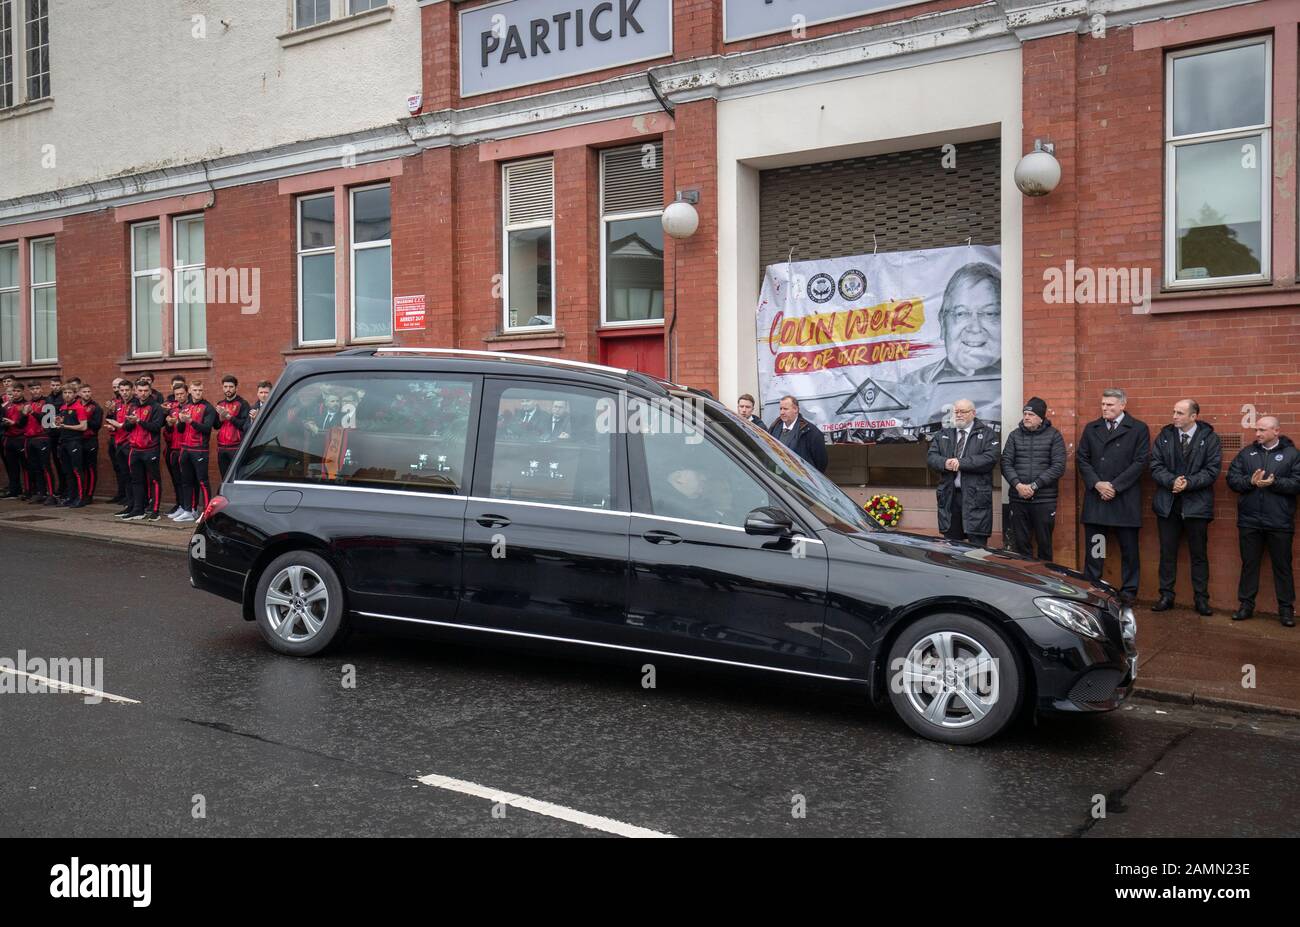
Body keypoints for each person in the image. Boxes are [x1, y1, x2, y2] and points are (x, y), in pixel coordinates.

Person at [889, 262, 1003, 428]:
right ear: (943, 323)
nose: (974, 327)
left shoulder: (1016, 381)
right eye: (961, 313)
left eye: (989, 313)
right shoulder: (913, 384)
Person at [1077, 388, 1149, 605]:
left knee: (1129, 550)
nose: (1105, 408)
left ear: (1122, 405)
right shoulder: (1092, 428)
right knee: (1097, 549)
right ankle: (1094, 587)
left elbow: (1140, 462)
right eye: (1103, 404)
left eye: (1110, 405)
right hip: (1098, 502)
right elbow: (1082, 459)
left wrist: (1115, 487)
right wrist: (1098, 484)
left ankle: (1129, 592)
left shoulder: (1138, 429)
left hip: (1124, 501)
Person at [1226, 415, 1300, 627]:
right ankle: (1246, 606)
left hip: (1280, 521)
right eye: (1256, 430)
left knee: (1282, 567)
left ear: (1276, 431)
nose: (1257, 434)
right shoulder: (1247, 453)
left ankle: (1286, 610)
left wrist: (1274, 483)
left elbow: (1297, 483)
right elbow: (1232, 479)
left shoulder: (1292, 455)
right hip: (1250, 521)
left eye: (1262, 430)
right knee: (1249, 565)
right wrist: (1250, 481)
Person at [1149, 399, 1221, 615]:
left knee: (1198, 554)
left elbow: (1212, 469)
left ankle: (1201, 599)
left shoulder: (1209, 438)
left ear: (1193, 416)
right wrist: (1172, 481)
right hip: (1168, 504)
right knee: (1167, 553)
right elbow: (1155, 465)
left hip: (1197, 506)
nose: (1174, 416)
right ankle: (1166, 596)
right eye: (1174, 412)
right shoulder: (1165, 436)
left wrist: (1188, 483)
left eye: (1180, 413)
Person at [1000, 396, 1066, 560]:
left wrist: (1034, 486)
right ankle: (1025, 582)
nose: (1026, 417)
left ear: (1041, 417)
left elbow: (1058, 466)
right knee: (1021, 544)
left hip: (1044, 500)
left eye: (1031, 415)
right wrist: (1018, 485)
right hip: (1018, 498)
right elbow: (1005, 463)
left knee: (1044, 544)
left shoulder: (1054, 436)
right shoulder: (1014, 436)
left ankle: (1046, 581)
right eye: (1025, 414)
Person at [926, 398, 998, 547]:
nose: (958, 415)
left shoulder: (987, 434)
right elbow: (931, 457)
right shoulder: (943, 434)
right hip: (950, 497)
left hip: (975, 498)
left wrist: (961, 463)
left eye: (963, 412)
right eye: (956, 411)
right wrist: (945, 463)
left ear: (973, 413)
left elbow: (990, 459)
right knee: (951, 546)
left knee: (977, 548)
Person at [118, 378, 167, 522]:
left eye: (146, 391)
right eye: (140, 391)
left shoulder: (156, 407)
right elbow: (126, 428)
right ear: (136, 391)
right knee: (136, 480)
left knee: (155, 480)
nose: (143, 393)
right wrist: (130, 422)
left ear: (150, 391)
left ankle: (155, 510)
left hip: (150, 449)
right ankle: (138, 509)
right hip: (134, 449)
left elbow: (157, 427)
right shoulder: (133, 406)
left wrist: (139, 421)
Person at [174, 380, 217, 522]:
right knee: (186, 481)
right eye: (195, 390)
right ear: (190, 391)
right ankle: (189, 510)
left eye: (200, 390)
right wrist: (180, 421)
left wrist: (191, 421)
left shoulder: (208, 407)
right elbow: (180, 430)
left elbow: (207, 429)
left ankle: (206, 512)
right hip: (185, 448)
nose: (198, 393)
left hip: (200, 449)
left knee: (202, 481)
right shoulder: (185, 406)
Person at [768, 396, 828, 472]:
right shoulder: (774, 427)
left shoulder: (811, 432)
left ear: (796, 409)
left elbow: (821, 462)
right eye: (781, 409)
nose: (782, 412)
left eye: (785, 409)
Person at [104, 378, 135, 509]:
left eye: (127, 390)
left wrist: (120, 425)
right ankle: (128, 500)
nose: (124, 393)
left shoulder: (135, 404)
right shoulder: (118, 405)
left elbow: (132, 425)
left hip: (131, 443)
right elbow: (113, 421)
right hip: (119, 442)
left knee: (133, 475)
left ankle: (135, 502)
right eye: (122, 390)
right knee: (124, 474)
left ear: (132, 390)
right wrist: (113, 427)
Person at [53, 384, 87, 507]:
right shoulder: (62, 408)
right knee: (67, 472)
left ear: (75, 394)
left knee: (77, 471)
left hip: (75, 442)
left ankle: (81, 498)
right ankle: (71, 497)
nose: (67, 395)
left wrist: (65, 426)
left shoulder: (79, 407)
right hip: (64, 442)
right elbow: (63, 423)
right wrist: (59, 422)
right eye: (65, 393)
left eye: (70, 393)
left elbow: (83, 426)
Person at [23, 381, 56, 505]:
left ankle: (51, 495)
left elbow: (47, 421)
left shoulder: (48, 402)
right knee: (35, 468)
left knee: (45, 467)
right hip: (29, 439)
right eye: (33, 389)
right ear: (30, 391)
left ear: (41, 389)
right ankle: (40, 493)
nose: (35, 391)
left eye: (37, 388)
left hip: (43, 438)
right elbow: (22, 424)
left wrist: (32, 412)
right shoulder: (28, 404)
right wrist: (24, 415)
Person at [214, 375, 251, 479]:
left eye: (231, 387)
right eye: (225, 387)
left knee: (236, 478)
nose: (228, 389)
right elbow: (216, 426)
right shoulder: (220, 404)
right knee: (224, 478)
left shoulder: (243, 403)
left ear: (236, 388)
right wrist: (221, 418)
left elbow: (244, 425)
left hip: (236, 447)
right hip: (221, 447)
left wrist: (229, 416)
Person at [162, 381, 189, 517]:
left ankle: (188, 507)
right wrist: (168, 423)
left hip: (185, 449)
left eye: (182, 394)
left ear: (186, 393)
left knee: (187, 481)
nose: (179, 396)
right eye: (177, 394)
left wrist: (179, 422)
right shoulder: (173, 409)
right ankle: (180, 504)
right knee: (177, 480)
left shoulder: (190, 408)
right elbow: (168, 431)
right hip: (173, 448)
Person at [77, 383, 103, 506]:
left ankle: (89, 494)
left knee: (90, 468)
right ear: (79, 393)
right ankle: (81, 492)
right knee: (80, 468)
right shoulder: (75, 405)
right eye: (84, 392)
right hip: (77, 440)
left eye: (88, 391)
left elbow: (97, 425)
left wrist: (83, 419)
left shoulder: (95, 407)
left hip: (90, 440)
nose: (87, 394)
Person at [1, 385, 27, 498]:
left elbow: (24, 423)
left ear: (22, 392)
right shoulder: (5, 407)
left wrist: (13, 423)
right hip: (8, 438)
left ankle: (28, 489)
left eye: (17, 391)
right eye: (12, 392)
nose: (15, 394)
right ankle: (14, 489)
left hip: (21, 438)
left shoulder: (25, 405)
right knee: (11, 466)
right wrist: (5, 424)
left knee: (25, 466)